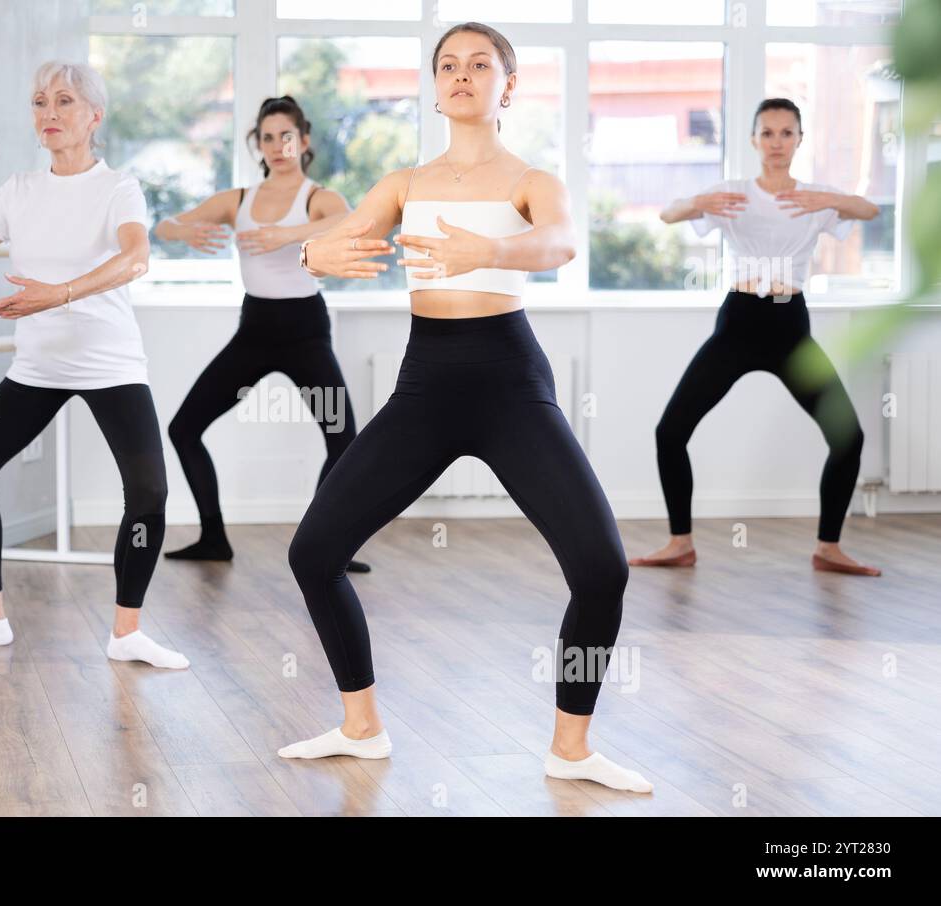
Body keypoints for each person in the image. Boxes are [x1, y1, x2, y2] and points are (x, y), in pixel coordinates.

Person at [277, 23, 652, 793]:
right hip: (427, 384)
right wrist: (315, 255)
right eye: (448, 64)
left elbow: (559, 243)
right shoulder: (403, 184)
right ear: (434, 83)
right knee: (313, 552)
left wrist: (490, 251)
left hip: (511, 382)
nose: (462, 74)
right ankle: (361, 726)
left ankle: (571, 748)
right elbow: (329, 241)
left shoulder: (530, 180)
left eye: (481, 64)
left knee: (602, 568)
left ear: (506, 85)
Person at [0, 61, 186, 669]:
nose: (50, 114)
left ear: (94, 116)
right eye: (40, 102)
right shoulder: (18, 191)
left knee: (148, 491)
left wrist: (58, 293)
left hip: (110, 361)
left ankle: (127, 632)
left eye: (65, 101)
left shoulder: (119, 187)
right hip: (37, 367)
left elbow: (136, 258)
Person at [631, 98, 881, 577]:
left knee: (848, 437)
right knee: (670, 432)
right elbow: (667, 215)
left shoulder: (814, 198)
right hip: (739, 324)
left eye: (787, 133)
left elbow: (867, 210)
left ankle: (828, 548)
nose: (777, 143)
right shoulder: (732, 193)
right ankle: (679, 543)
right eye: (767, 133)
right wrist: (698, 204)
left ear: (800, 139)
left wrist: (832, 199)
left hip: (791, 327)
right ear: (753, 140)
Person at [155, 95, 369, 572]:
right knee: (183, 429)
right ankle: (213, 537)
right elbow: (166, 225)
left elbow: (357, 219)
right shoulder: (239, 200)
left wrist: (288, 235)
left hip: (305, 332)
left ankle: (322, 545)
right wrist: (182, 232)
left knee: (343, 439)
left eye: (285, 136)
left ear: (304, 141)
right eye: (267, 137)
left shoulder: (317, 198)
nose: (276, 145)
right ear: (258, 144)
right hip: (254, 331)